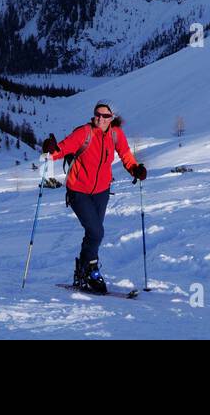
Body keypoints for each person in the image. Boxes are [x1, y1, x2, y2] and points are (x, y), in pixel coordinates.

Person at [41, 103, 147, 293]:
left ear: (111, 118)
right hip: (78, 191)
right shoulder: (84, 133)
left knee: (94, 233)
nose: (100, 118)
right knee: (96, 231)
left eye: (105, 116)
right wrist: (50, 151)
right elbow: (63, 149)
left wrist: (135, 169)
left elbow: (125, 154)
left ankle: (83, 270)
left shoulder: (116, 134)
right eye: (97, 115)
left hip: (101, 192)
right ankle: (91, 270)